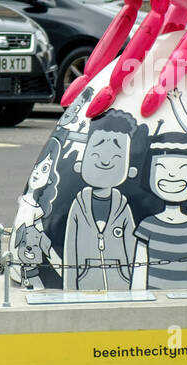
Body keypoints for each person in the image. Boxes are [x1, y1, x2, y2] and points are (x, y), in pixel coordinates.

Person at [62, 109, 139, 291]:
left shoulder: (123, 207)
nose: (106, 161)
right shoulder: (79, 206)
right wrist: (70, 286)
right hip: (84, 283)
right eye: (96, 154)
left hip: (121, 283)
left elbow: (132, 247)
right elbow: (70, 249)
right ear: (81, 164)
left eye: (117, 157)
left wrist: (133, 285)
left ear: (129, 170)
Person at [132, 131, 187, 290]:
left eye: (184, 168)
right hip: (154, 299)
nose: (172, 174)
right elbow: (140, 266)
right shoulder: (147, 225)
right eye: (161, 167)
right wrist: (138, 297)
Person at [10, 137, 64, 289]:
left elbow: (47, 248)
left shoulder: (37, 212)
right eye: (39, 167)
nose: (37, 173)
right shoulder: (29, 204)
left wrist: (65, 272)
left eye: (45, 169)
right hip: (22, 269)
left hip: (32, 273)